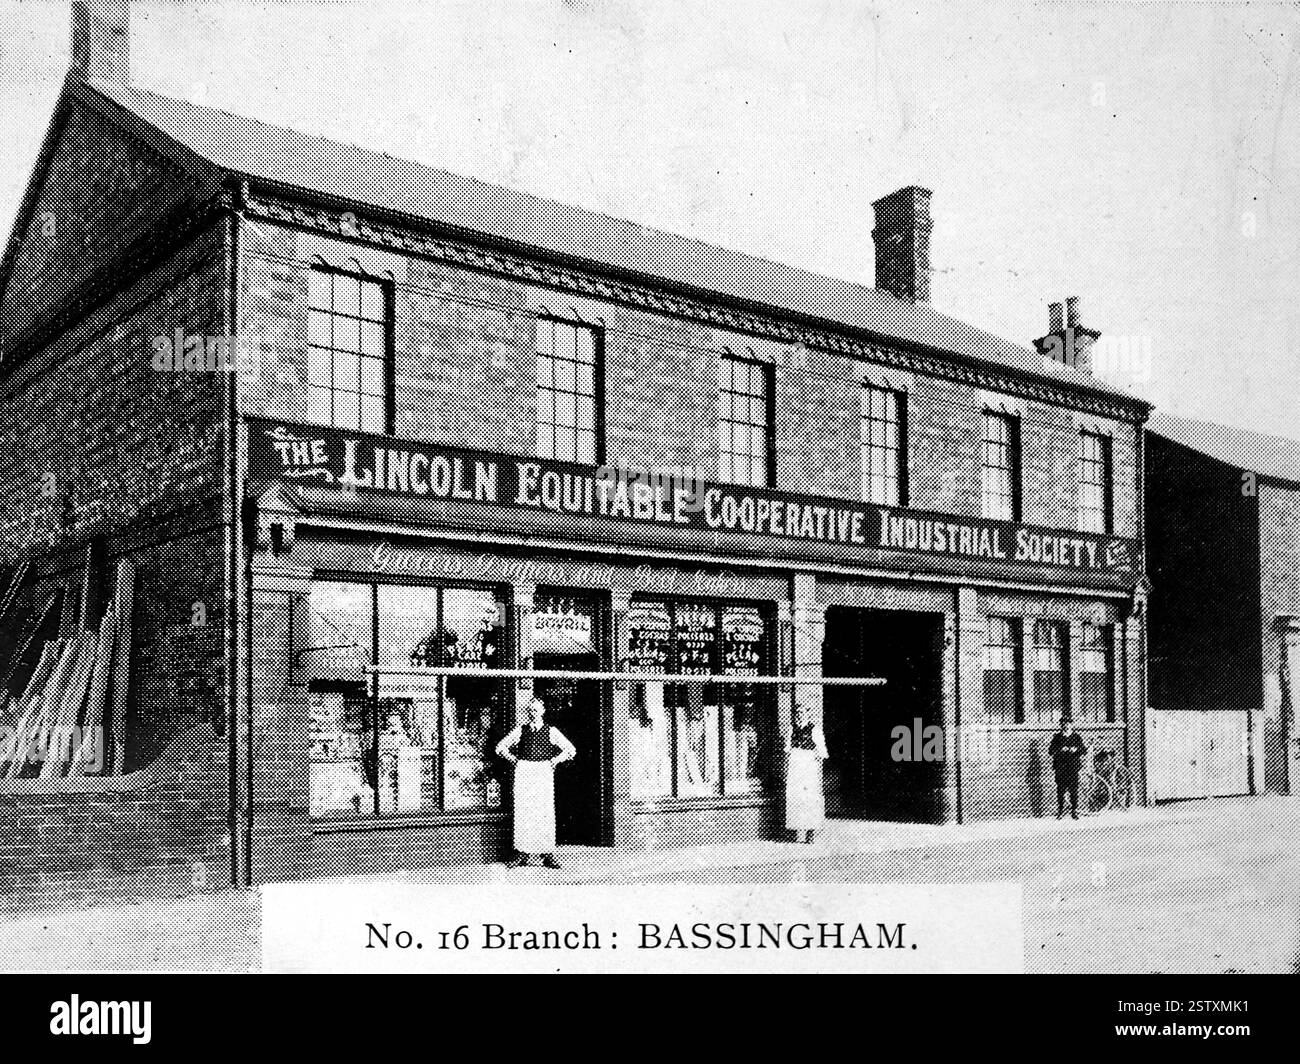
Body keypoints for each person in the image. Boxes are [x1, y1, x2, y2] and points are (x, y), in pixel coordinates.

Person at [495, 695, 576, 868]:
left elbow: (571, 750)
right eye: (531, 709)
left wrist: (555, 761)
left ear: (543, 711)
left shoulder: (551, 731)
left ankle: (547, 853)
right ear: (528, 712)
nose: (534, 712)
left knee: (544, 811)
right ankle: (521, 853)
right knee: (524, 811)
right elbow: (500, 747)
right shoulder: (520, 730)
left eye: (537, 709)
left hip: (543, 771)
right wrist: (514, 760)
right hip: (524, 771)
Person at [785, 705, 829, 844]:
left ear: (807, 715)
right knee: (796, 797)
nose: (799, 716)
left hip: (809, 764)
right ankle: (797, 832)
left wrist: (816, 760)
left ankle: (810, 831)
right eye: (797, 713)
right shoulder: (791, 729)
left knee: (809, 797)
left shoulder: (814, 730)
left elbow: (822, 750)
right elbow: (787, 748)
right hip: (795, 764)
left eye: (802, 713)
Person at [1048, 716, 1087, 820]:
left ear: (1072, 725)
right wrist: (1061, 749)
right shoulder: (1057, 737)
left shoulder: (1076, 737)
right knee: (1060, 790)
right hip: (1061, 767)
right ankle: (1060, 811)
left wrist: (1076, 750)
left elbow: (1084, 750)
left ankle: (1074, 811)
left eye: (1068, 723)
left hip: (1073, 767)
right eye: (1064, 723)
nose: (1066, 725)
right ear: (1061, 725)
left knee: (1074, 790)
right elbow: (1050, 751)